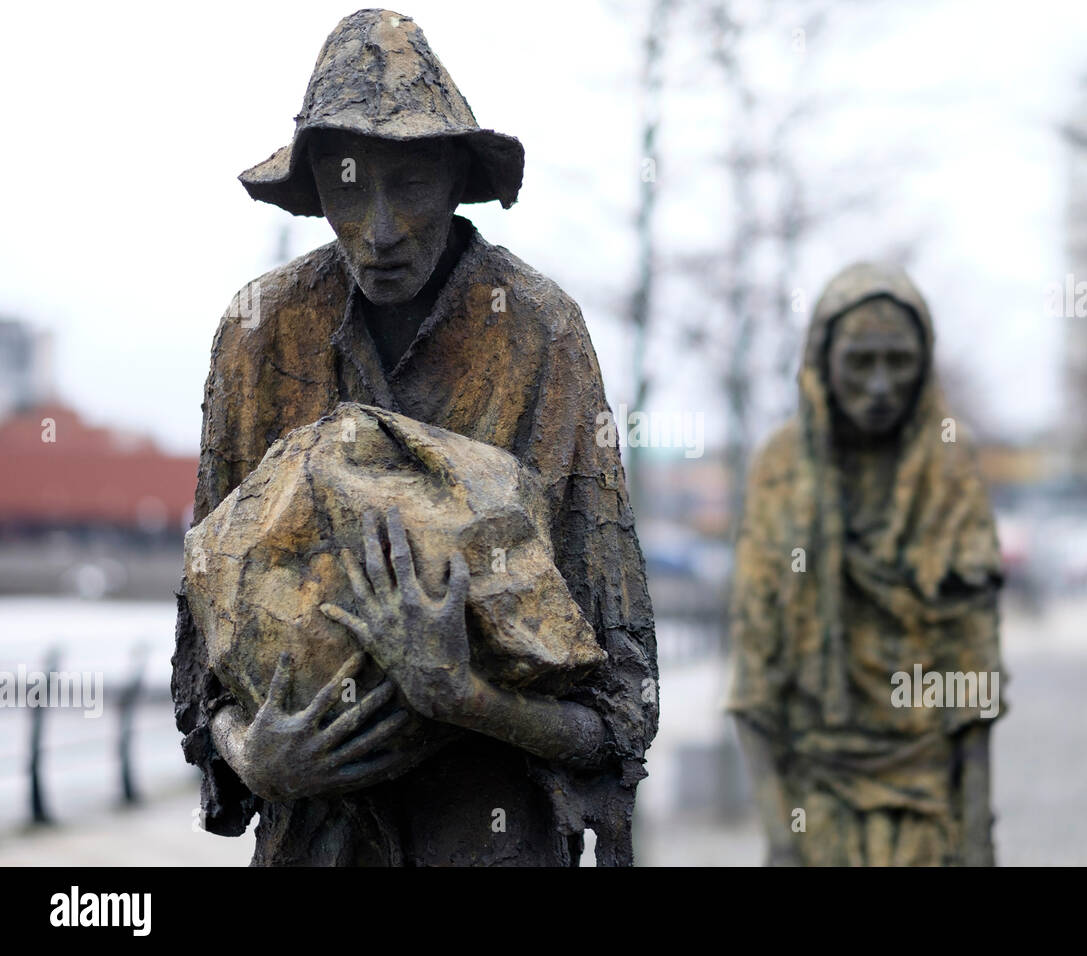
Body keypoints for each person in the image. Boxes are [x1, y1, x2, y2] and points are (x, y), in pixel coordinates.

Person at [172, 9, 657, 866]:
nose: (382, 229)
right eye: (350, 186)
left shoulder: (539, 334)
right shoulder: (259, 335)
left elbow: (617, 710)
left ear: (455, 175)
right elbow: (204, 646)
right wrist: (256, 756)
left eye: (412, 183)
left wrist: (467, 697)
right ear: (316, 185)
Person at [725, 263, 1004, 866]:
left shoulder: (952, 468)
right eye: (860, 361)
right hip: (816, 793)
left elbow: (974, 674)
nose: (879, 385)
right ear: (823, 361)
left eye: (897, 361)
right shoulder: (779, 470)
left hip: (927, 801)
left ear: (923, 365)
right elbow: (753, 676)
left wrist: (978, 837)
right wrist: (778, 839)